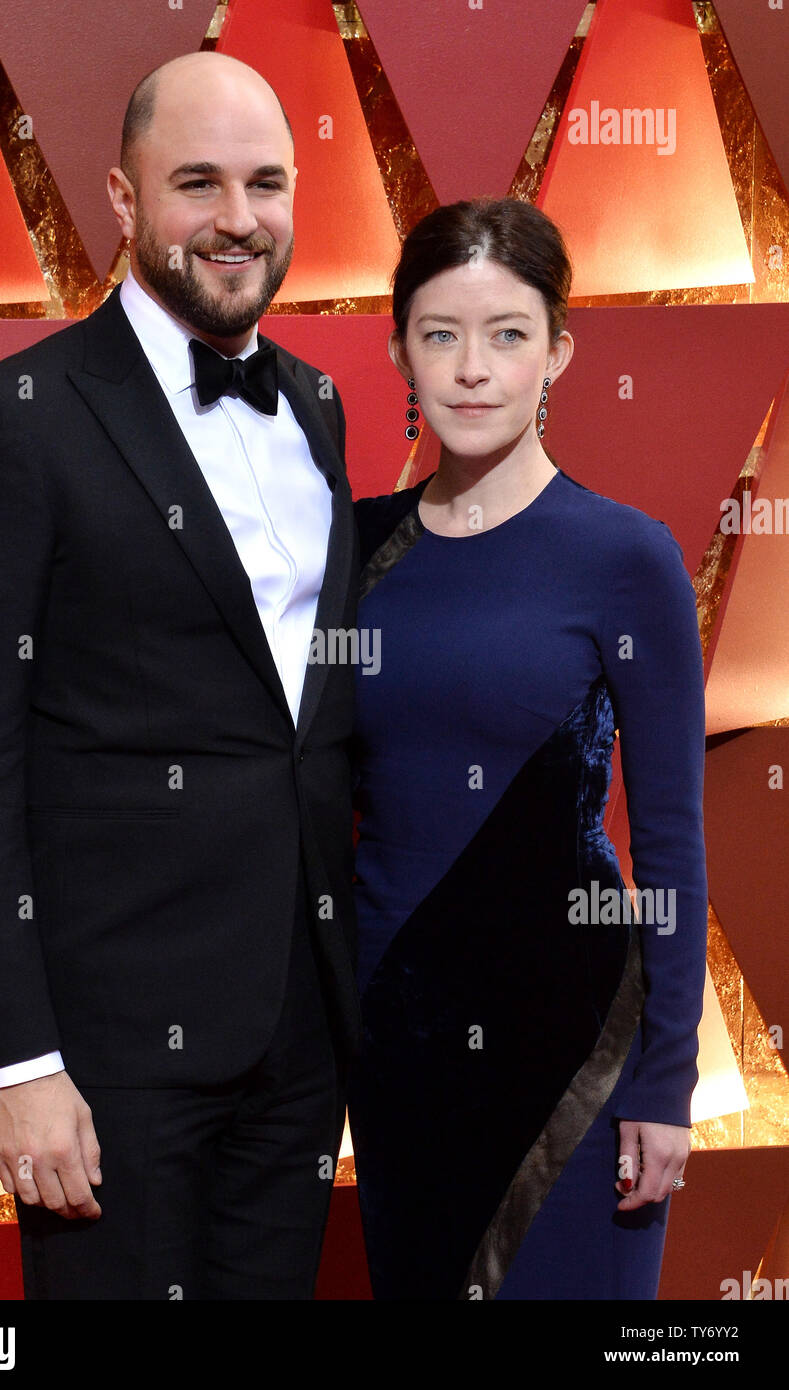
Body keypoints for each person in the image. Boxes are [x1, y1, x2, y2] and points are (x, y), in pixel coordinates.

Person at [0, 51, 361, 1300]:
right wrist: (15, 1063)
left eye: (265, 183)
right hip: (108, 1055)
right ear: (118, 197)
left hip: (300, 1025)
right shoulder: (14, 417)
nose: (237, 220)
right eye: (196, 183)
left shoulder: (318, 403)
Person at [346, 197, 707, 1300]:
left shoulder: (625, 556)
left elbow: (671, 844)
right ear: (398, 345)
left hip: (577, 1055)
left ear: (558, 349)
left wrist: (663, 1081)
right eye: (439, 333)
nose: (471, 369)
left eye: (507, 333)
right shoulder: (352, 547)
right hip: (396, 1043)